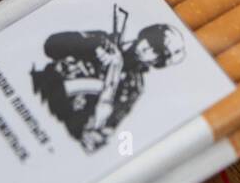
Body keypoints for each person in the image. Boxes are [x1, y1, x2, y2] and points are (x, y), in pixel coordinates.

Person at [31, 20, 186, 153]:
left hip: (54, 123)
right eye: (151, 41)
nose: (148, 49)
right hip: (36, 88)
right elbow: (50, 45)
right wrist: (92, 45)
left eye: (156, 52)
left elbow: (104, 132)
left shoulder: (133, 87)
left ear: (157, 62)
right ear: (145, 34)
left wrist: (96, 124)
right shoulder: (103, 40)